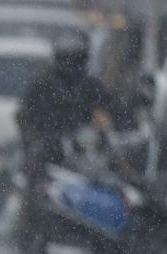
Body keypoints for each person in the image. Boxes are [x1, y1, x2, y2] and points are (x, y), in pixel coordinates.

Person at [17, 33, 118, 172]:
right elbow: (26, 115)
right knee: (35, 167)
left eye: (75, 58)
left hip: (86, 147)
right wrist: (38, 138)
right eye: (66, 57)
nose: (70, 63)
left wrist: (106, 129)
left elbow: (109, 110)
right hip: (52, 145)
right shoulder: (43, 84)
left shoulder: (91, 85)